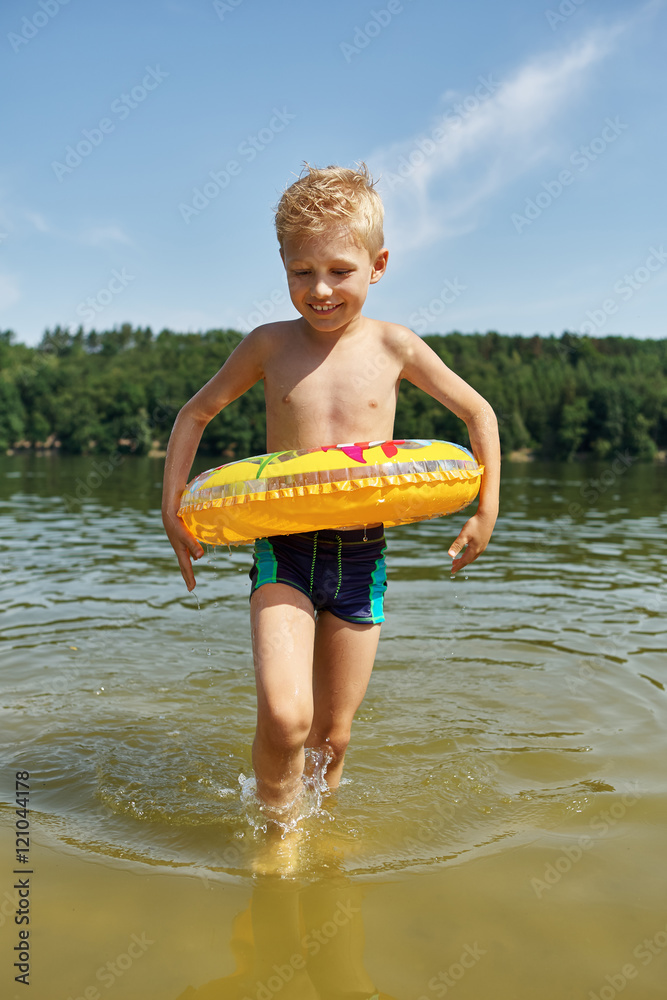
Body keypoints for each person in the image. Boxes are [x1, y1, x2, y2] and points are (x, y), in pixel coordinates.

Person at [162, 163, 500, 828]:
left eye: (339, 271)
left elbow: (477, 412)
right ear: (283, 267)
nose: (319, 290)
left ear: (377, 265)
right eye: (301, 272)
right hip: (282, 553)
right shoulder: (268, 345)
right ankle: (275, 837)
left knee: (332, 736)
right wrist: (172, 508)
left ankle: (316, 830)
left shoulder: (395, 345)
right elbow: (195, 413)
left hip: (360, 558)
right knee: (288, 718)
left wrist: (485, 511)